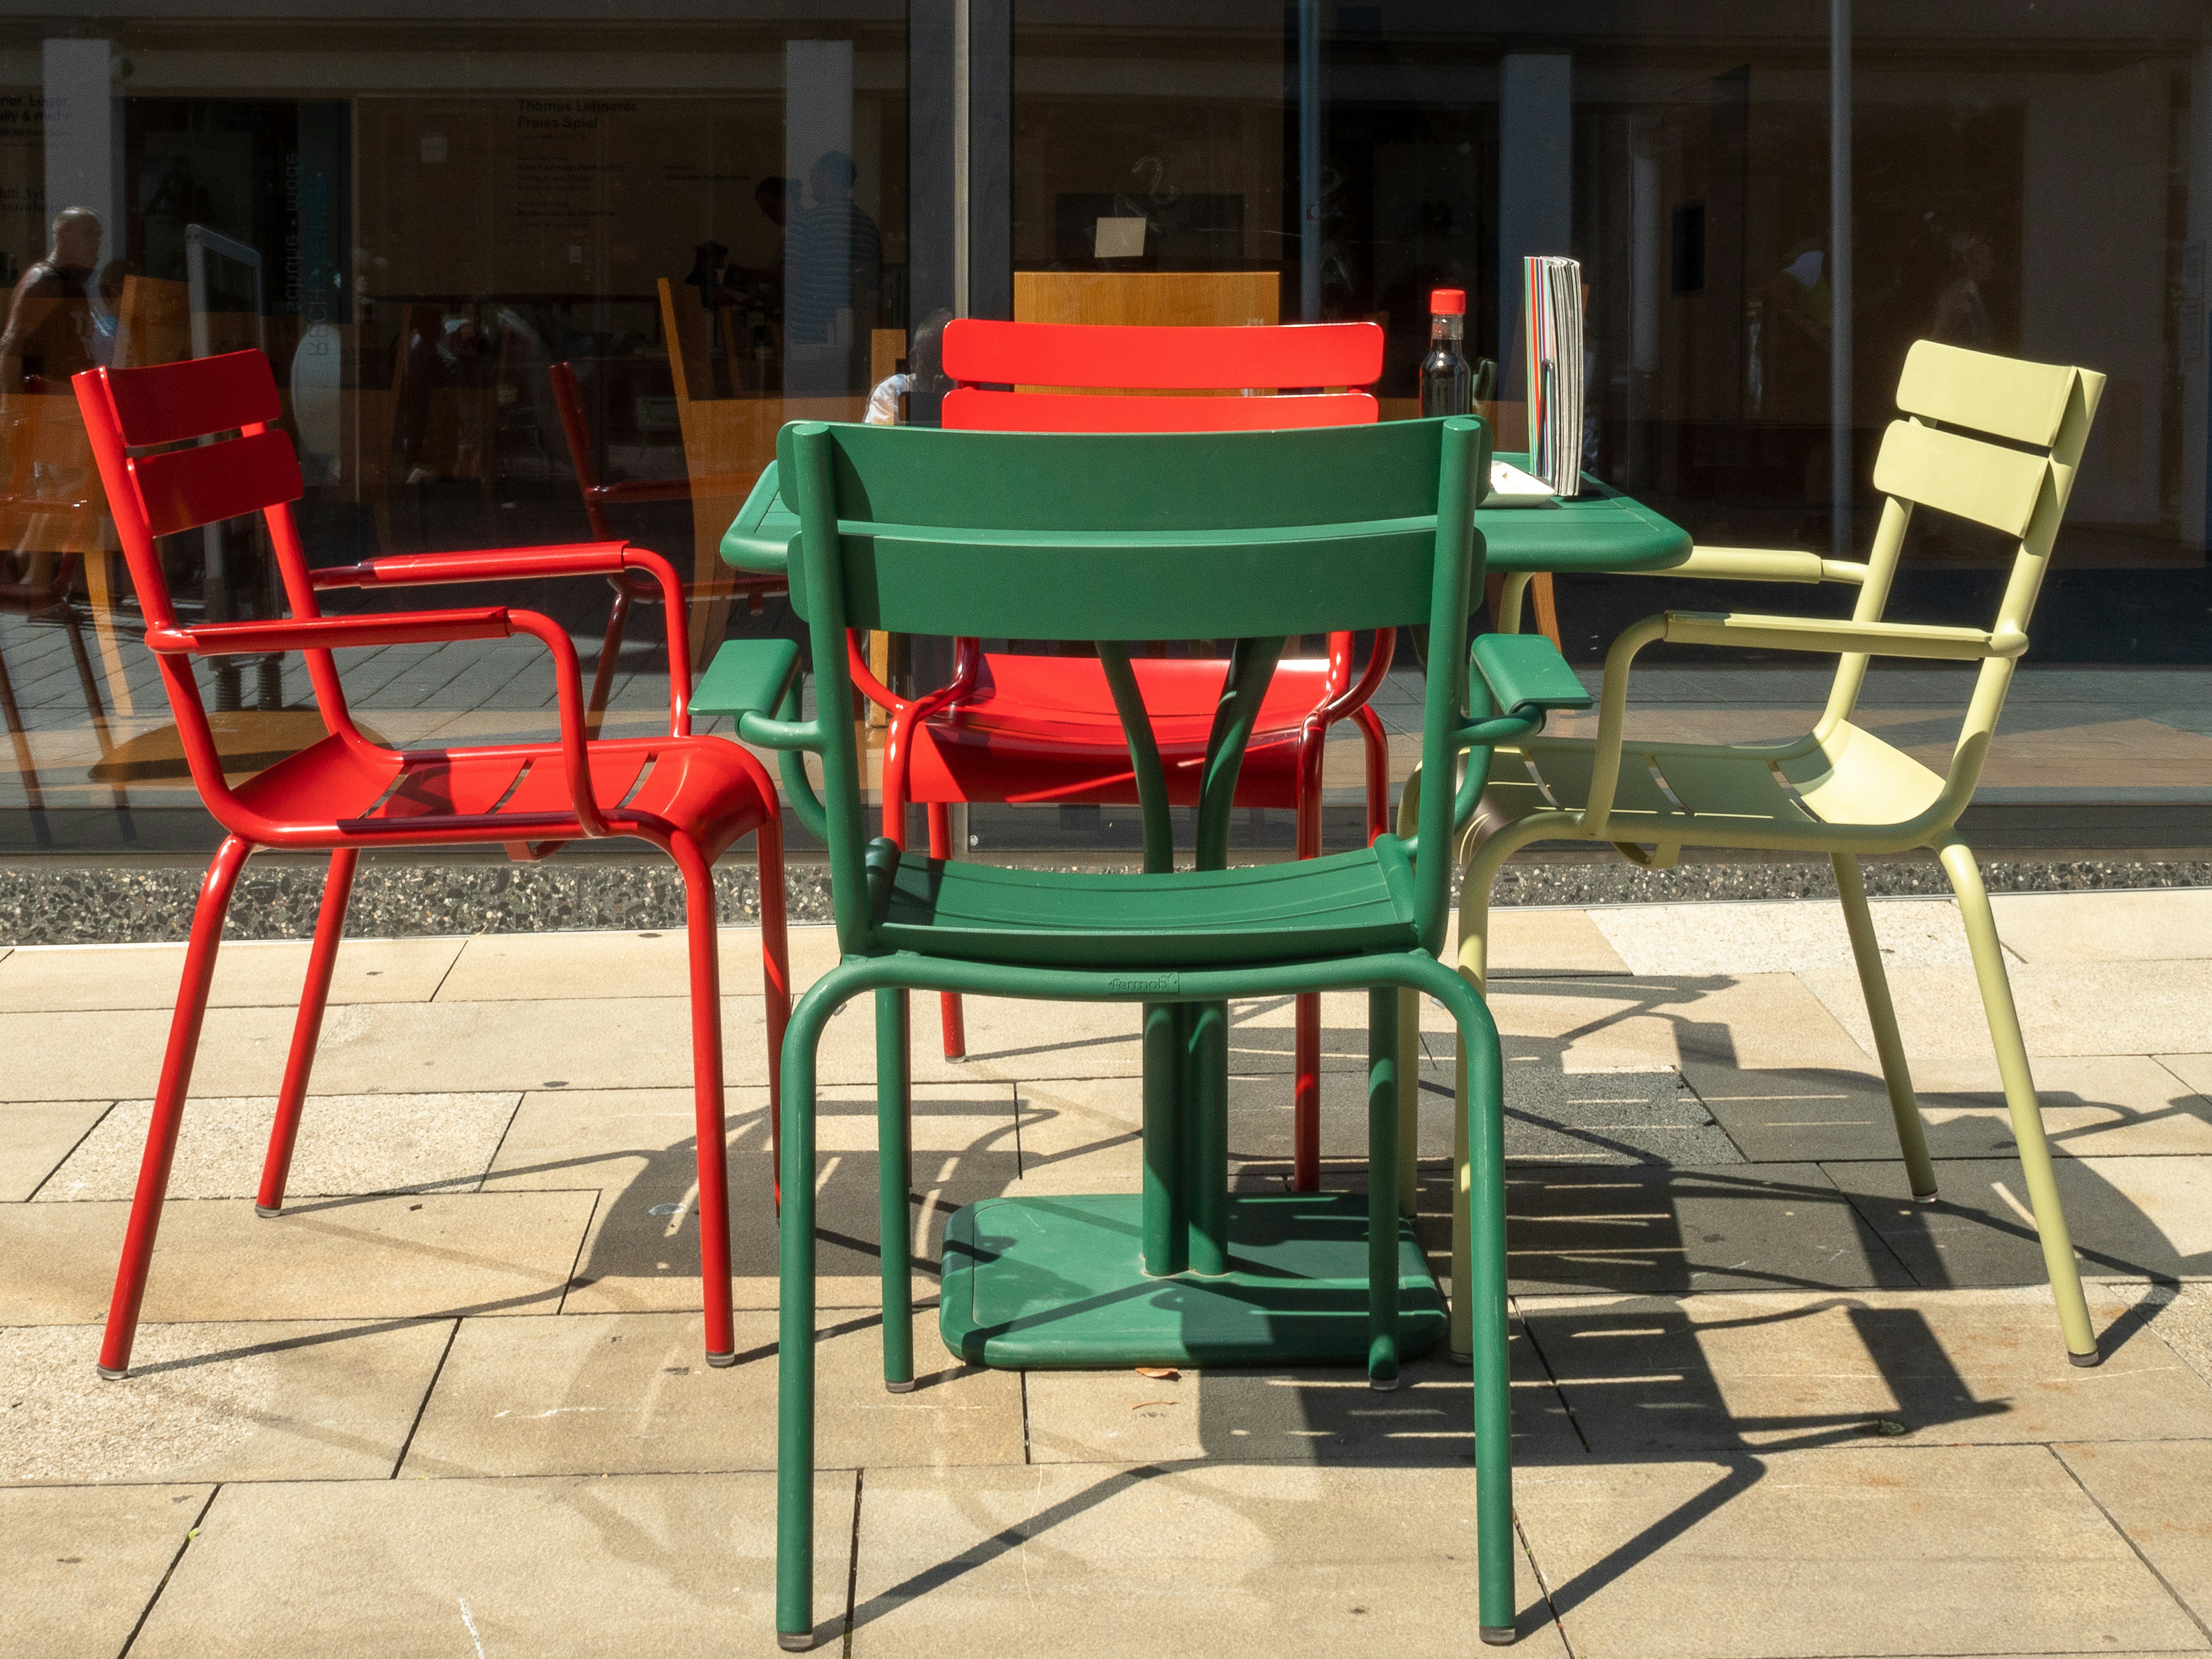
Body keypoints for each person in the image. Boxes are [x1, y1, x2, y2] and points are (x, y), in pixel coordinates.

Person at [784, 151, 881, 353]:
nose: (810, 180)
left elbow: (791, 279)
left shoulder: (805, 224)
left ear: (826, 177)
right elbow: (874, 283)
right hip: (855, 331)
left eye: (814, 174)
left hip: (808, 334)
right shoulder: (868, 226)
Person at [0, 208, 102, 393]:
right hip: (43, 404)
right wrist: (11, 407)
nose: (96, 243)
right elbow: (11, 346)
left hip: (69, 398)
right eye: (89, 234)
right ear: (62, 234)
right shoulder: (45, 281)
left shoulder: (74, 285)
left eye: (98, 235)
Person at [1930, 231, 1995, 349]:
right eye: (1986, 257)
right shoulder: (1957, 296)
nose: (1991, 263)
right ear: (1969, 260)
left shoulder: (1972, 292)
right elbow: (1937, 341)